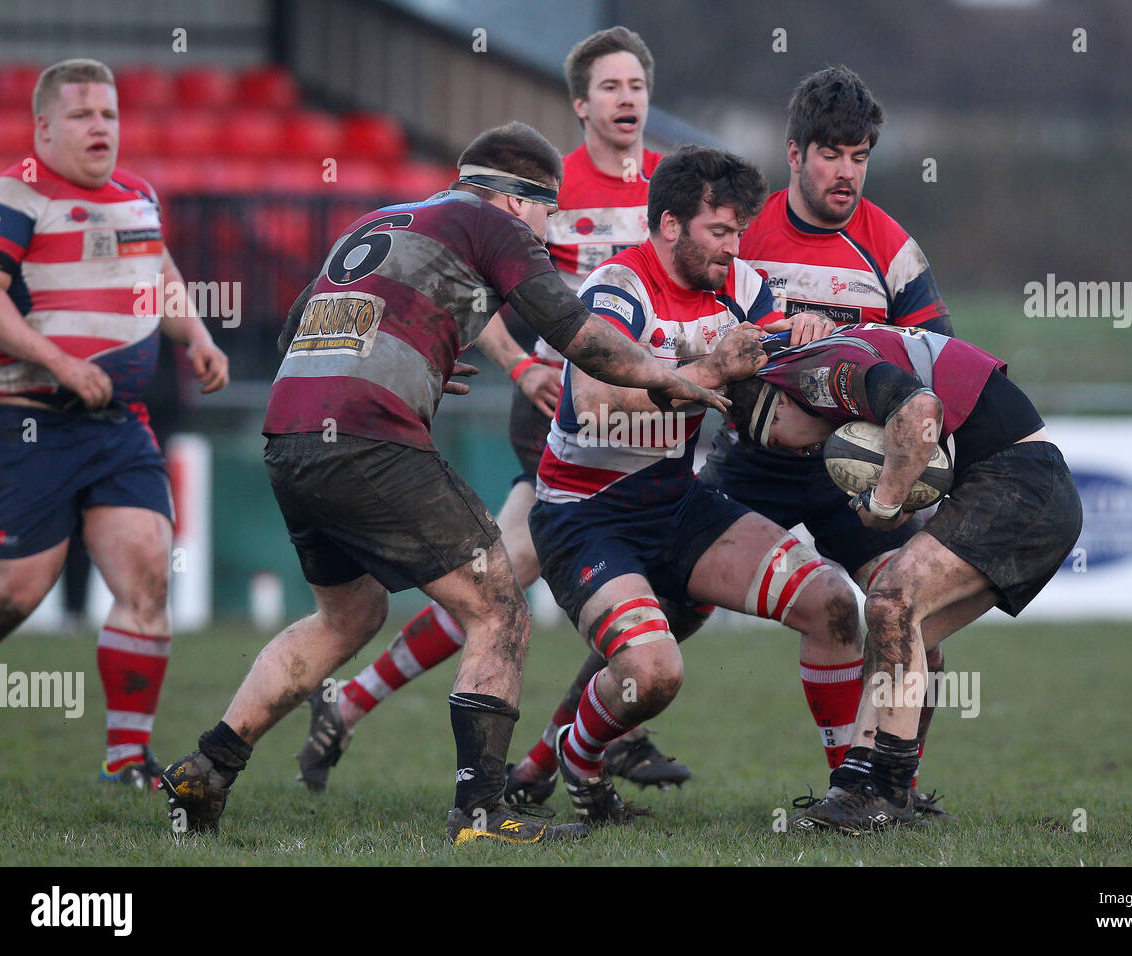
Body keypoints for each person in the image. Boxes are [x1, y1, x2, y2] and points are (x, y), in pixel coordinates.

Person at [158, 122, 728, 845]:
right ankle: (481, 814)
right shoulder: (491, 221)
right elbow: (574, 331)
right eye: (547, 212)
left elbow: (295, 331)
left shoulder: (379, 220)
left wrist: (412, 344)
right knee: (500, 609)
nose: (547, 229)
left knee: (348, 616)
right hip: (369, 437)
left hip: (290, 436)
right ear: (518, 199)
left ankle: (208, 765)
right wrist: (668, 376)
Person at [296, 26, 693, 799]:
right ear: (579, 103)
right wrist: (524, 365)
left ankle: (362, 702)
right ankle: (596, 740)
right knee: (533, 574)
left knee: (532, 573)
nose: (626, 100)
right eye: (609, 87)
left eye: (637, 86)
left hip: (644, 410)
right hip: (559, 411)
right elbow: (475, 287)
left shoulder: (670, 192)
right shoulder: (556, 188)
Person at [527, 144, 867, 826]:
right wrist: (710, 372)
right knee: (654, 674)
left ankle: (850, 794)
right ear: (671, 225)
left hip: (676, 504)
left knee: (833, 603)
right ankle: (579, 755)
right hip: (585, 515)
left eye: (739, 230)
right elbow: (592, 403)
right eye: (719, 231)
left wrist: (816, 346)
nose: (733, 246)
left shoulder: (742, 287)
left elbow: (785, 391)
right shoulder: (616, 289)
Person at [696, 67, 956, 810]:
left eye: (860, 155)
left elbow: (935, 361)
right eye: (831, 153)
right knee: (668, 603)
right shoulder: (745, 235)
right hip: (756, 459)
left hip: (856, 471)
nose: (846, 171)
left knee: (913, 620)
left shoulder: (892, 248)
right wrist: (781, 337)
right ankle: (566, 754)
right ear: (795, 152)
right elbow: (706, 338)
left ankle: (884, 788)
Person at [723, 323, 1083, 831]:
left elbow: (920, 411)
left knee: (891, 601)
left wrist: (885, 500)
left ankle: (889, 791)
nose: (801, 454)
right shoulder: (823, 357)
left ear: (775, 406)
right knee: (898, 631)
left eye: (781, 441)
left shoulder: (810, 374)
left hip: (1019, 482)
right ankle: (856, 786)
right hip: (1029, 483)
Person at [0, 59, 229, 787]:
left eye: (110, 115)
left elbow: (160, 277)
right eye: (84, 115)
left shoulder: (138, 197)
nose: (101, 128)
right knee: (13, 594)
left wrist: (200, 336)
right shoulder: (11, 195)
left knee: (148, 570)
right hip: (27, 421)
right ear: (44, 128)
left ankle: (127, 758)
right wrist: (59, 363)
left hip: (118, 425)